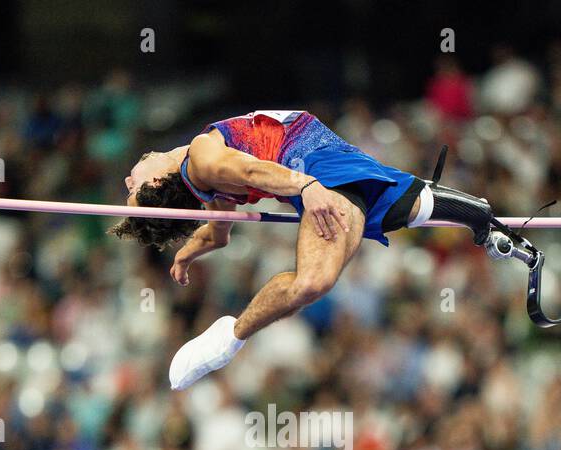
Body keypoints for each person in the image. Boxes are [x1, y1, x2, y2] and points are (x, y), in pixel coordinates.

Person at [115, 109, 538, 390]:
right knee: (416, 208)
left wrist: (306, 186)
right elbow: (220, 230)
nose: (129, 181)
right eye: (133, 189)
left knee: (313, 281)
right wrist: (189, 250)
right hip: (319, 166)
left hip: (312, 166)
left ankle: (228, 339)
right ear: (155, 186)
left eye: (129, 185)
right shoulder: (202, 176)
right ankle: (483, 221)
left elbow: (250, 168)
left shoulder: (205, 158)